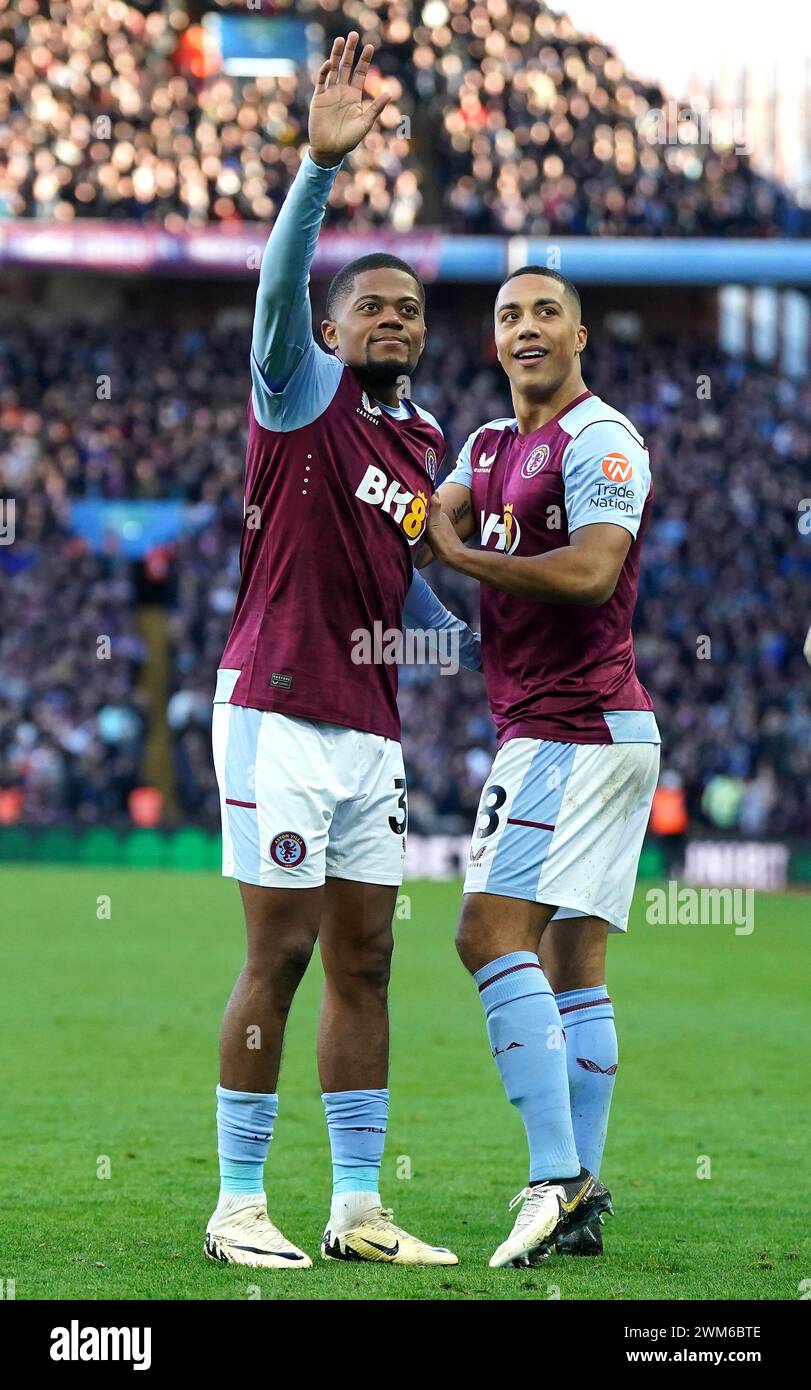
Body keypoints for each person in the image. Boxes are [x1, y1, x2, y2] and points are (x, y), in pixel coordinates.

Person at [206, 33, 478, 1271]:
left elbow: (431, 588)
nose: (395, 319)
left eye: (410, 308)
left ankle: (358, 1205)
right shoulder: (294, 390)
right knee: (284, 951)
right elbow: (274, 292)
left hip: (373, 725)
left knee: (366, 957)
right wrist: (316, 174)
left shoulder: (424, 443)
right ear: (330, 325)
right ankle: (236, 1204)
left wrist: (509, 628)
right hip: (273, 705)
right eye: (373, 304)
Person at [425, 266, 660, 1266]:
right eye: (510, 315)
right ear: (494, 341)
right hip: (580, 729)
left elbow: (590, 568)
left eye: (545, 314)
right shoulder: (485, 447)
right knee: (573, 962)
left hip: (575, 729)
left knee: (485, 935)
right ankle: (585, 1196)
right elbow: (420, 518)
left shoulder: (601, 439)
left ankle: (555, 1177)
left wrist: (462, 557)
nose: (527, 327)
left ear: (579, 336)